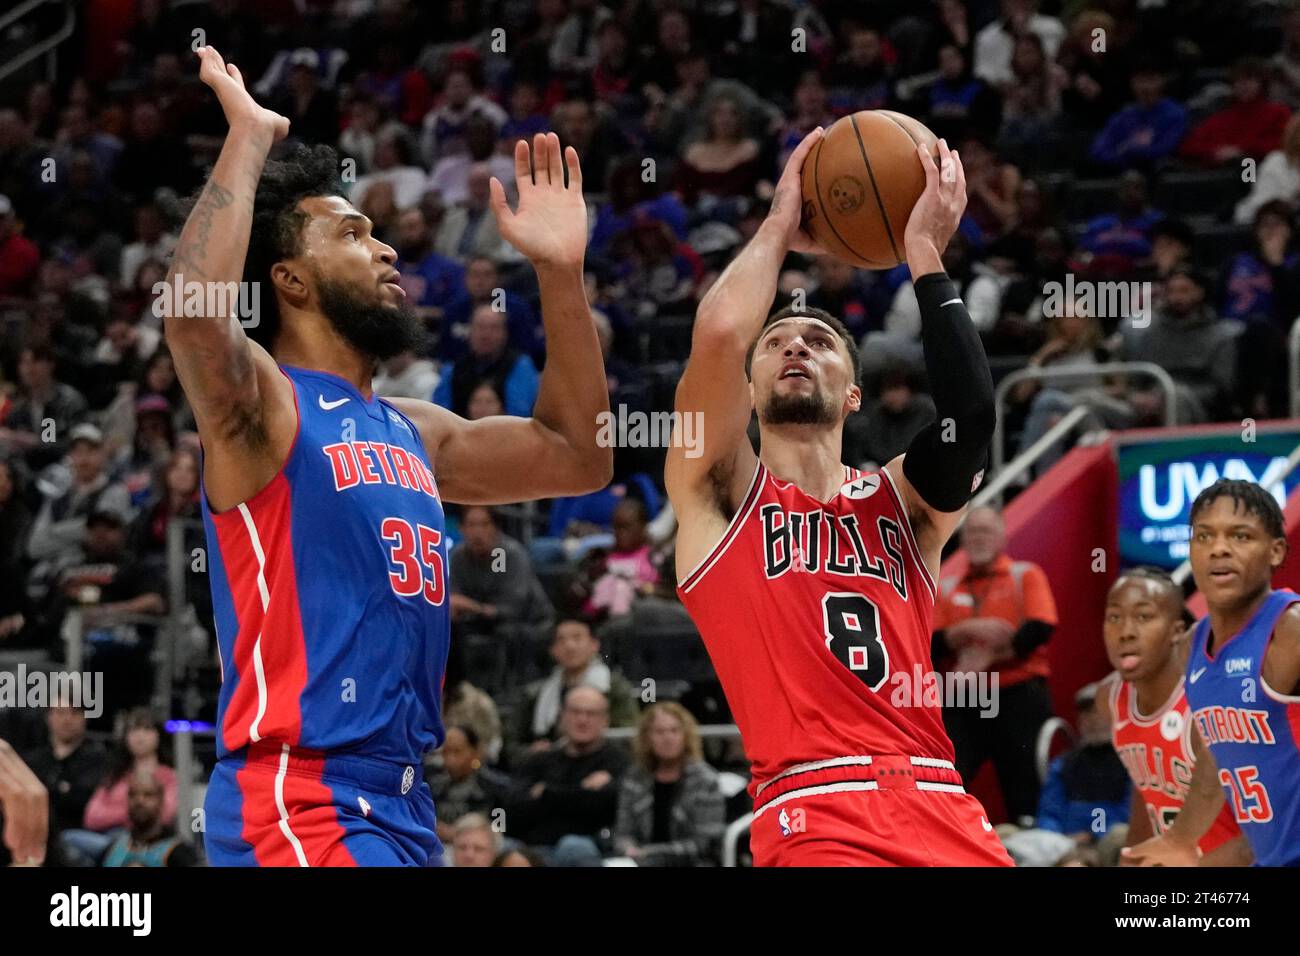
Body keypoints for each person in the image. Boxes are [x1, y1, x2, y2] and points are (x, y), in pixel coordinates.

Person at [173, 47, 610, 867]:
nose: (386, 251)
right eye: (352, 233)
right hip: (299, 795)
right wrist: (249, 140)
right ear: (291, 282)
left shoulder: (415, 428)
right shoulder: (265, 408)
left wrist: (559, 272)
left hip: (405, 803)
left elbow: (579, 456)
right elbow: (195, 317)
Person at [667, 127, 1011, 865]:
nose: (796, 346)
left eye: (820, 342)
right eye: (778, 343)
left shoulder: (905, 503)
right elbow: (723, 332)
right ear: (749, 390)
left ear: (854, 394)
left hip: (944, 804)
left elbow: (973, 416)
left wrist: (924, 253)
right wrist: (779, 223)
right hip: (816, 811)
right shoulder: (719, 493)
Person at [1125, 481, 1300, 867]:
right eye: (1204, 536)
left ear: (1276, 551)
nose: (1219, 548)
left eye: (1240, 535)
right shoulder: (1193, 645)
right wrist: (1181, 839)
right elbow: (1215, 747)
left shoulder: (1289, 631)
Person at [1100, 567, 1247, 864]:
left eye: (1144, 617)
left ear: (1177, 631)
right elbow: (1146, 786)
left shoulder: (1205, 705)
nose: (1126, 632)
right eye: (1114, 617)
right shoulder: (1111, 698)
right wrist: (1132, 856)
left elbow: (1267, 828)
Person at [933, 506, 1058, 823]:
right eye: (972, 531)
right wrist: (961, 633)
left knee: (1024, 786)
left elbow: (1040, 629)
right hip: (964, 698)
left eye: (986, 531)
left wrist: (990, 656)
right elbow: (929, 643)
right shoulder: (947, 587)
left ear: (1002, 536)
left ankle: (1029, 841)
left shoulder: (1025, 575)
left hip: (1018, 693)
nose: (978, 538)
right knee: (946, 776)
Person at [507, 686, 629, 863]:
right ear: (562, 716)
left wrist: (545, 792)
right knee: (501, 847)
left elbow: (605, 806)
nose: (582, 720)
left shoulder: (619, 761)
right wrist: (582, 792)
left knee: (573, 847)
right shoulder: (539, 760)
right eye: (575, 712)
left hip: (590, 849)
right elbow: (513, 809)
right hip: (533, 847)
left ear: (605, 720)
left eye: (591, 713)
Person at [612, 702, 725, 866]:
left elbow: (704, 843)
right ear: (647, 737)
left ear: (685, 735)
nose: (667, 737)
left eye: (674, 730)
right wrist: (627, 848)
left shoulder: (706, 780)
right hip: (639, 860)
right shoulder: (634, 778)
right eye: (659, 731)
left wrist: (650, 855)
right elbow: (623, 832)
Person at [424, 725, 510, 845]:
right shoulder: (432, 783)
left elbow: (500, 830)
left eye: (457, 752)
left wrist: (460, 833)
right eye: (446, 752)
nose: (450, 760)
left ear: (476, 752)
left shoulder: (495, 788)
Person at [101, 770, 197, 867]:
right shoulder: (112, 850)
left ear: (161, 801)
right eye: (133, 794)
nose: (139, 801)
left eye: (148, 795)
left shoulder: (180, 854)